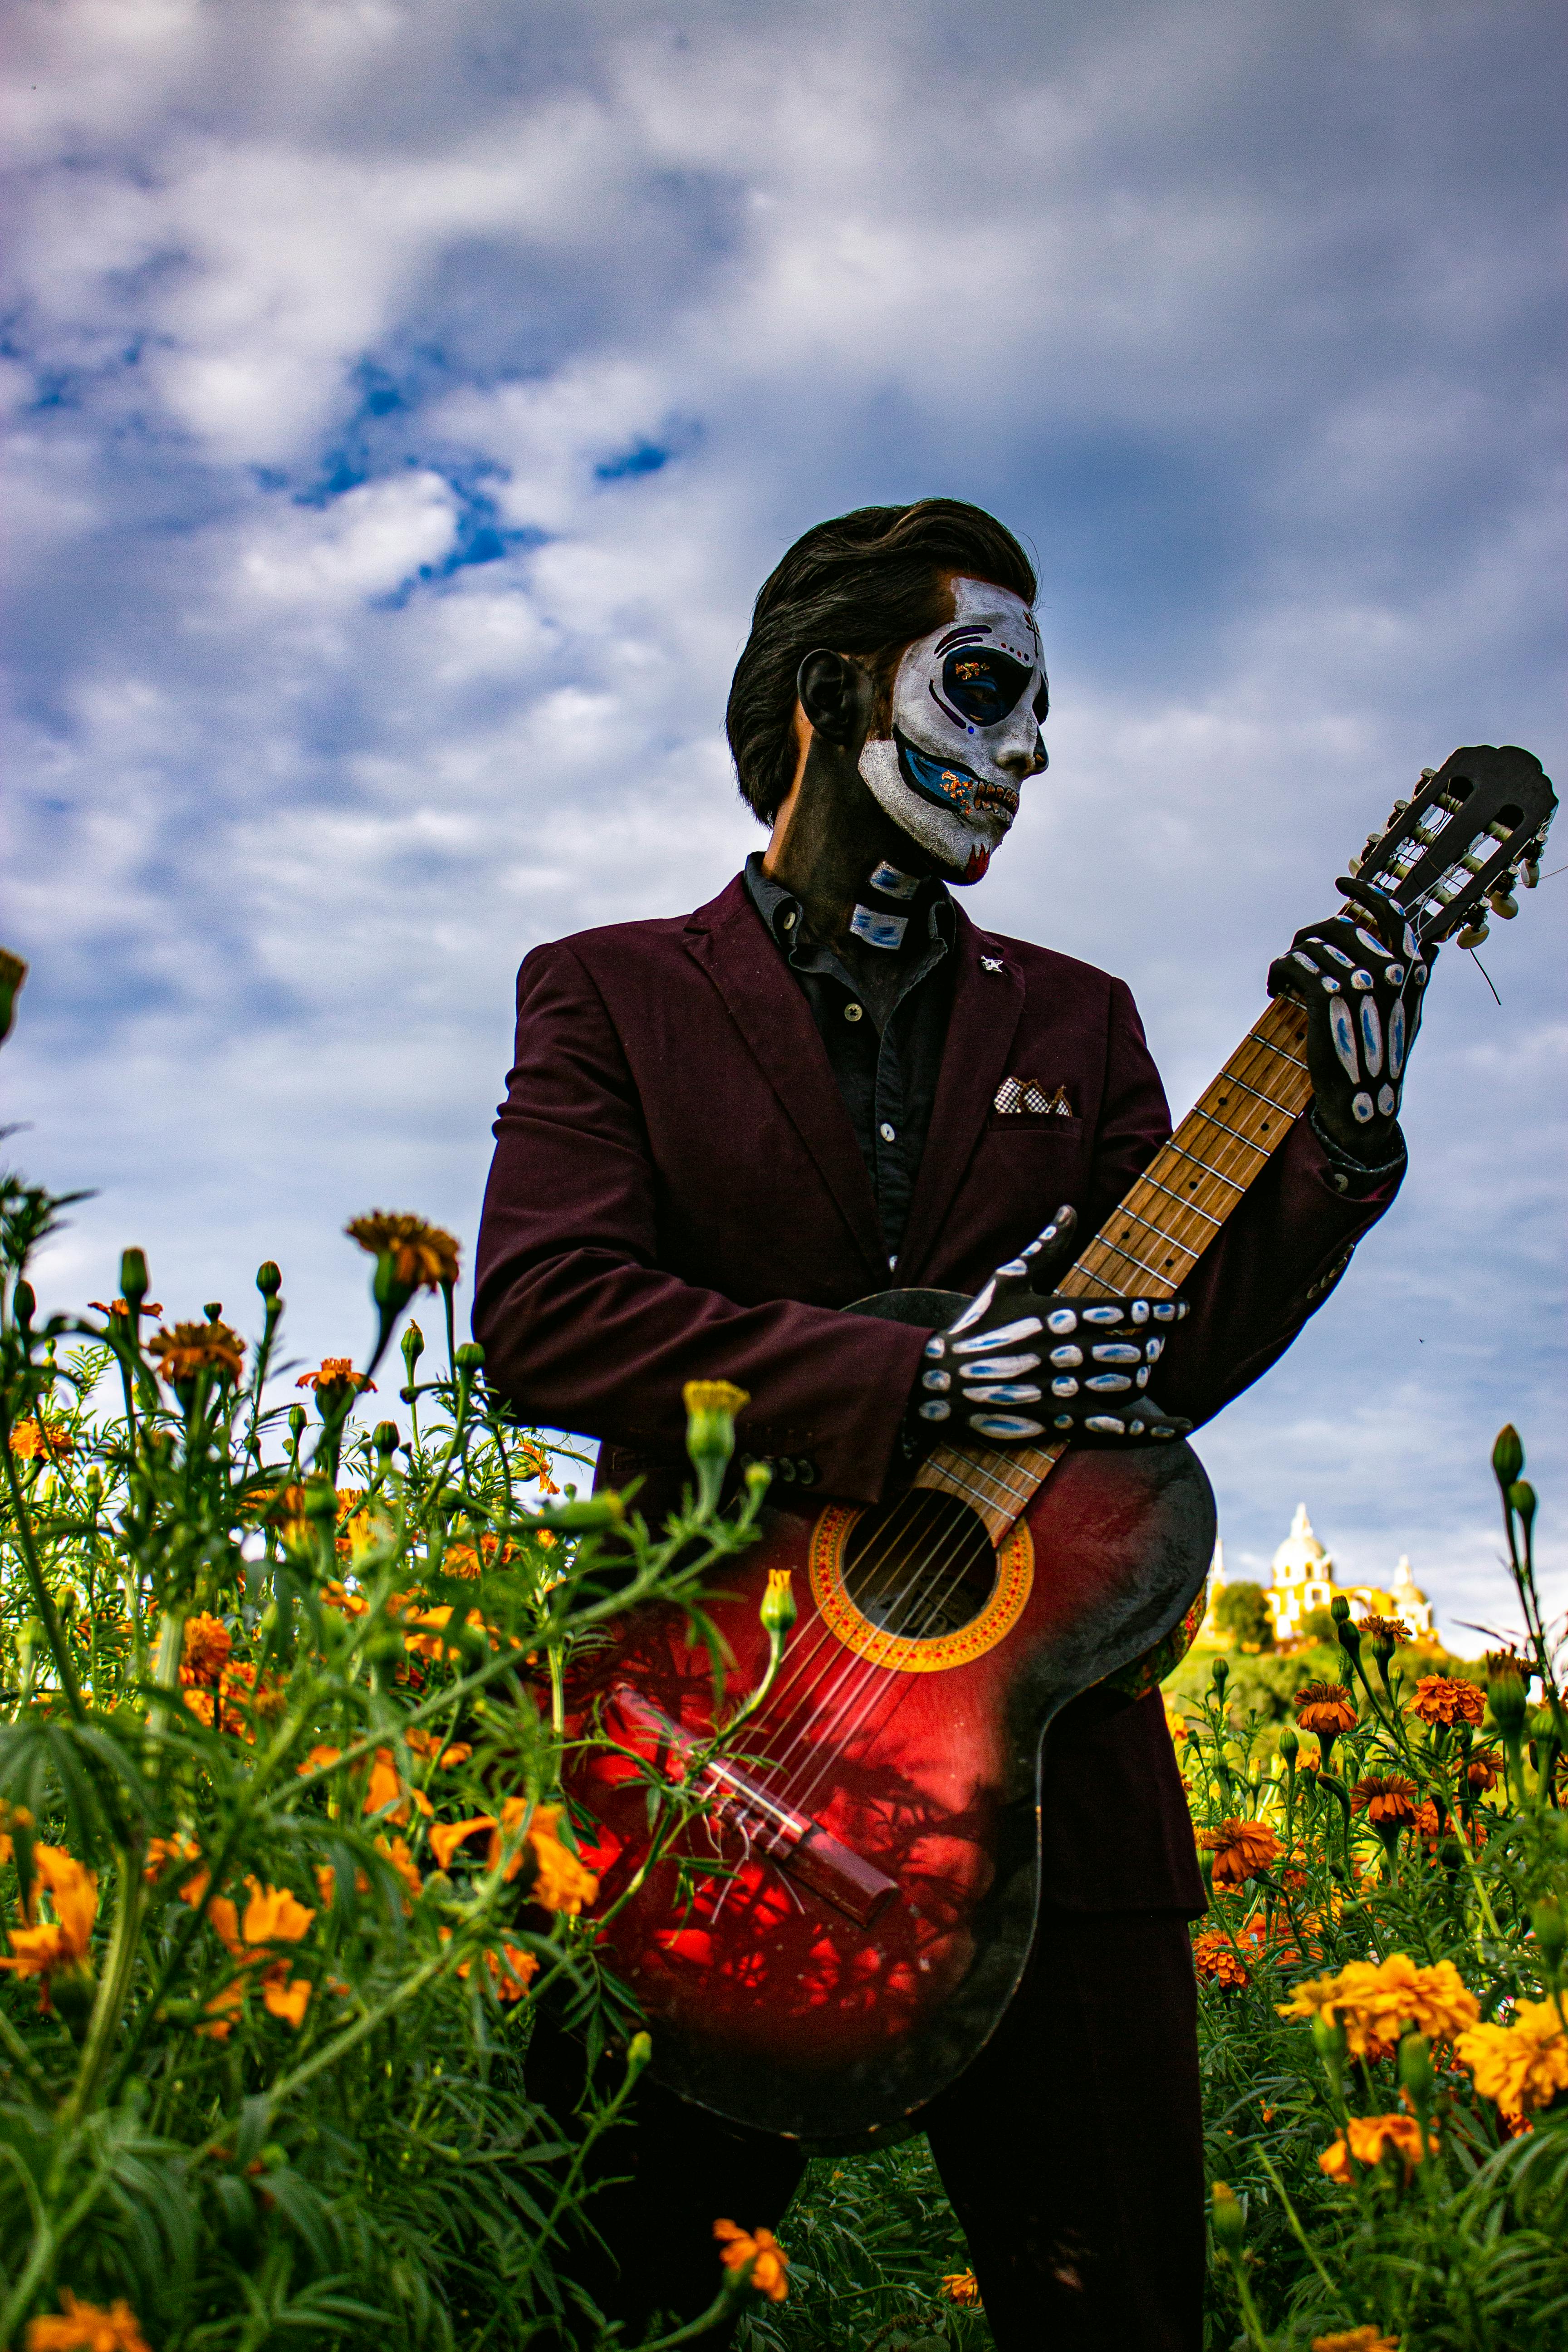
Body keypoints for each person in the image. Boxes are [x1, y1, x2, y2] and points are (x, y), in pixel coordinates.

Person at [474, 500, 1421, 2348]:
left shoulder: (1086, 1019)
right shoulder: (612, 993)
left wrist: (1343, 1150)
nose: (1029, 752)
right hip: (706, 1773)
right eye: (983, 690)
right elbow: (545, 1313)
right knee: (616, 2305)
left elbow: (1166, 1368)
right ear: (834, 688)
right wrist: (915, 1381)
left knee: (1119, 2311)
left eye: (1040, 712)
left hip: (1053, 1799)